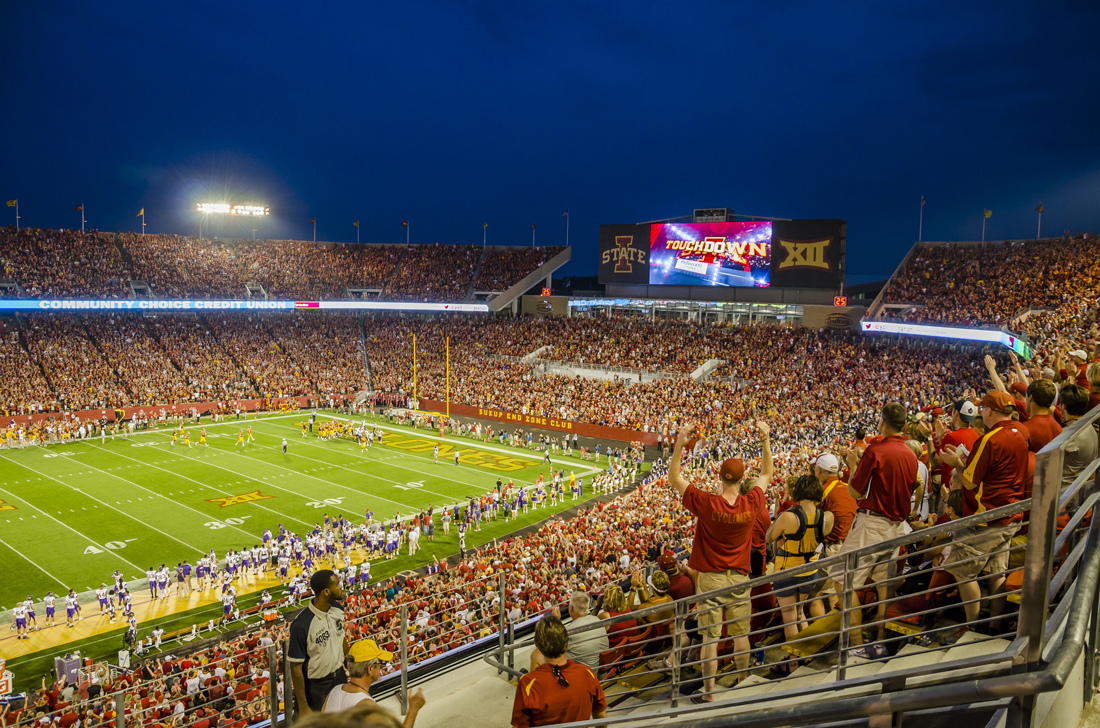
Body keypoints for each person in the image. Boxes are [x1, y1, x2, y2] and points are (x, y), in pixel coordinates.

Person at [668, 419, 772, 702]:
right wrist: (765, 440)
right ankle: (743, 681)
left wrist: (680, 443)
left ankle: (710, 693)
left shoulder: (707, 503)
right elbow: (767, 473)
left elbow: (674, 478)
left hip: (711, 578)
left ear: (720, 476)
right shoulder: (751, 503)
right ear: (741, 479)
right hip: (739, 576)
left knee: (710, 639)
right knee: (741, 634)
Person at [831, 402, 919, 658]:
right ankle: (880, 643)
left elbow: (855, 491)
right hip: (895, 527)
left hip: (872, 523)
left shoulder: (875, 451)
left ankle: (856, 645)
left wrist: (852, 465)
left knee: (843, 582)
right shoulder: (912, 454)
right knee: (884, 586)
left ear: (882, 422)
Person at [939, 390, 1029, 630]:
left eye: (982, 409)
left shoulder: (991, 439)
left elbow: (968, 482)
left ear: (989, 411)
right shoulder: (1019, 434)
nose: (981, 412)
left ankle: (973, 626)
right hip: (1010, 513)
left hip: (986, 517)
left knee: (962, 572)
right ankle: (995, 625)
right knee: (996, 573)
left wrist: (956, 464)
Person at [766, 473, 833, 663]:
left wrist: (779, 521)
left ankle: (794, 661)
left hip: (787, 570)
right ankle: (808, 654)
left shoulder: (788, 517)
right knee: (800, 612)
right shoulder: (827, 517)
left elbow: (769, 537)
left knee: (789, 617)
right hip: (810, 570)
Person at [512, 614, 607, 728]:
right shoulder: (588, 673)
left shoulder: (527, 684)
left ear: (538, 646)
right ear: (566, 642)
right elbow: (602, 721)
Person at [322, 639, 426, 726]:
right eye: (381, 663)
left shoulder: (334, 691)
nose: (382, 666)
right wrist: (413, 709)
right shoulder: (368, 707)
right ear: (370, 669)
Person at [288, 570, 351, 715]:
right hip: (316, 686)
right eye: (337, 585)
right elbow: (296, 667)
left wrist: (350, 667)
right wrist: (303, 706)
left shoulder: (337, 609)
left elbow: (341, 638)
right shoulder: (302, 624)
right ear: (326, 592)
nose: (341, 587)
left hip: (340, 676)